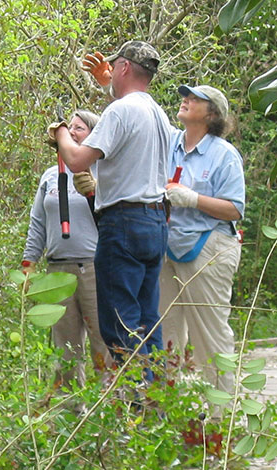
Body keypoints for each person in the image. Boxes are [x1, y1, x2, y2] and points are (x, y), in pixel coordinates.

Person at [49, 40, 176, 363]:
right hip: (155, 221)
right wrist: (108, 85)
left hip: (124, 225)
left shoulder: (120, 111)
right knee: (147, 320)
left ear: (123, 68)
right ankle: (156, 403)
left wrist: (62, 132)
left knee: (120, 324)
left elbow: (77, 160)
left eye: (114, 66)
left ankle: (135, 403)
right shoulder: (157, 113)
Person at [156, 85, 245, 392]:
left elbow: (235, 209)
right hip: (168, 246)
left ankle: (224, 420)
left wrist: (193, 199)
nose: (186, 101)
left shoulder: (224, 155)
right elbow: (137, 117)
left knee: (209, 337)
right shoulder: (169, 142)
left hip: (209, 247)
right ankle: (170, 418)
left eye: (195, 99)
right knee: (164, 335)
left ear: (212, 114)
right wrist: (108, 86)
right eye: (186, 96)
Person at [23, 110, 113, 387]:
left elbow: (117, 218)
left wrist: (95, 192)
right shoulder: (50, 177)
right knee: (65, 347)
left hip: (95, 268)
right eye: (68, 127)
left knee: (103, 342)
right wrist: (29, 264)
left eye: (79, 128)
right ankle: (68, 414)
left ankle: (109, 412)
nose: (71, 132)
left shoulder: (107, 174)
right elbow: (38, 222)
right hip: (57, 269)